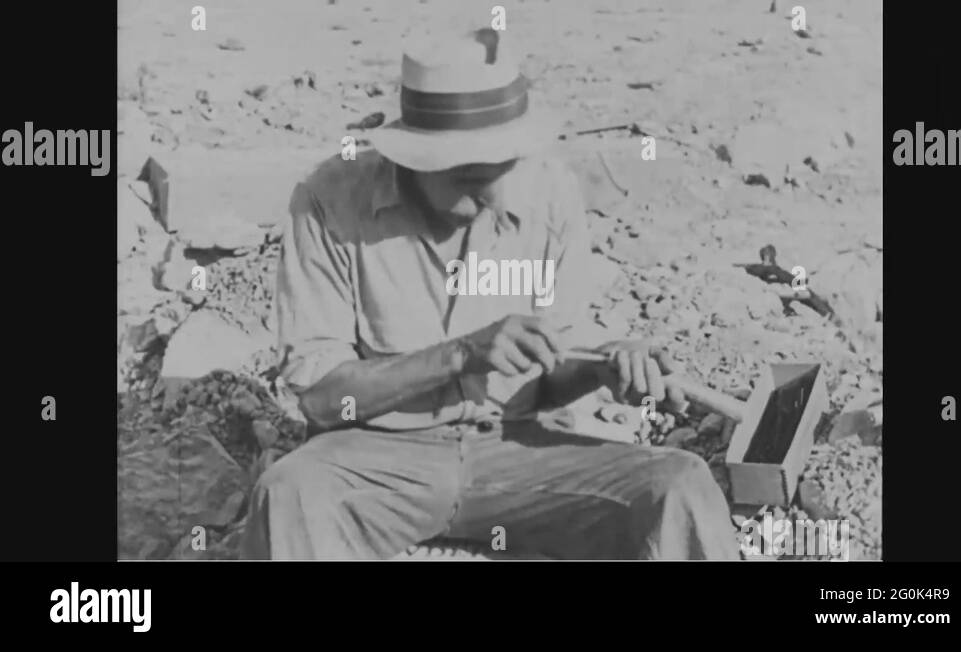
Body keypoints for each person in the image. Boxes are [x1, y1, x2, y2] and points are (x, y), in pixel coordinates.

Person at [240, 27, 738, 560]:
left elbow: (553, 374)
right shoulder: (330, 202)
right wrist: (461, 354)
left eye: (507, 166)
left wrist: (604, 368)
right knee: (288, 493)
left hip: (522, 448)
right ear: (416, 159)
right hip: (375, 456)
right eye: (474, 175)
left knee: (678, 483)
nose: (498, 194)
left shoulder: (549, 192)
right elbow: (321, 398)